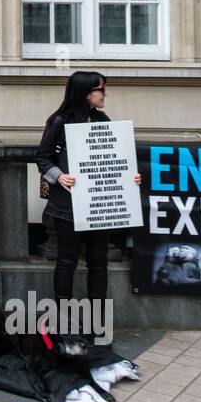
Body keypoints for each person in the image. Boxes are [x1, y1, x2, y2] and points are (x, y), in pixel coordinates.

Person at [35, 71, 141, 337]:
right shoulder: (59, 122)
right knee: (67, 261)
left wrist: (129, 177)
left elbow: (113, 158)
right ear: (86, 92)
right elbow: (42, 158)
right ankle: (63, 323)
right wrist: (60, 177)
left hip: (99, 205)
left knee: (98, 263)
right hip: (67, 207)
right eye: (101, 90)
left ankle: (97, 325)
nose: (105, 94)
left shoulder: (103, 120)